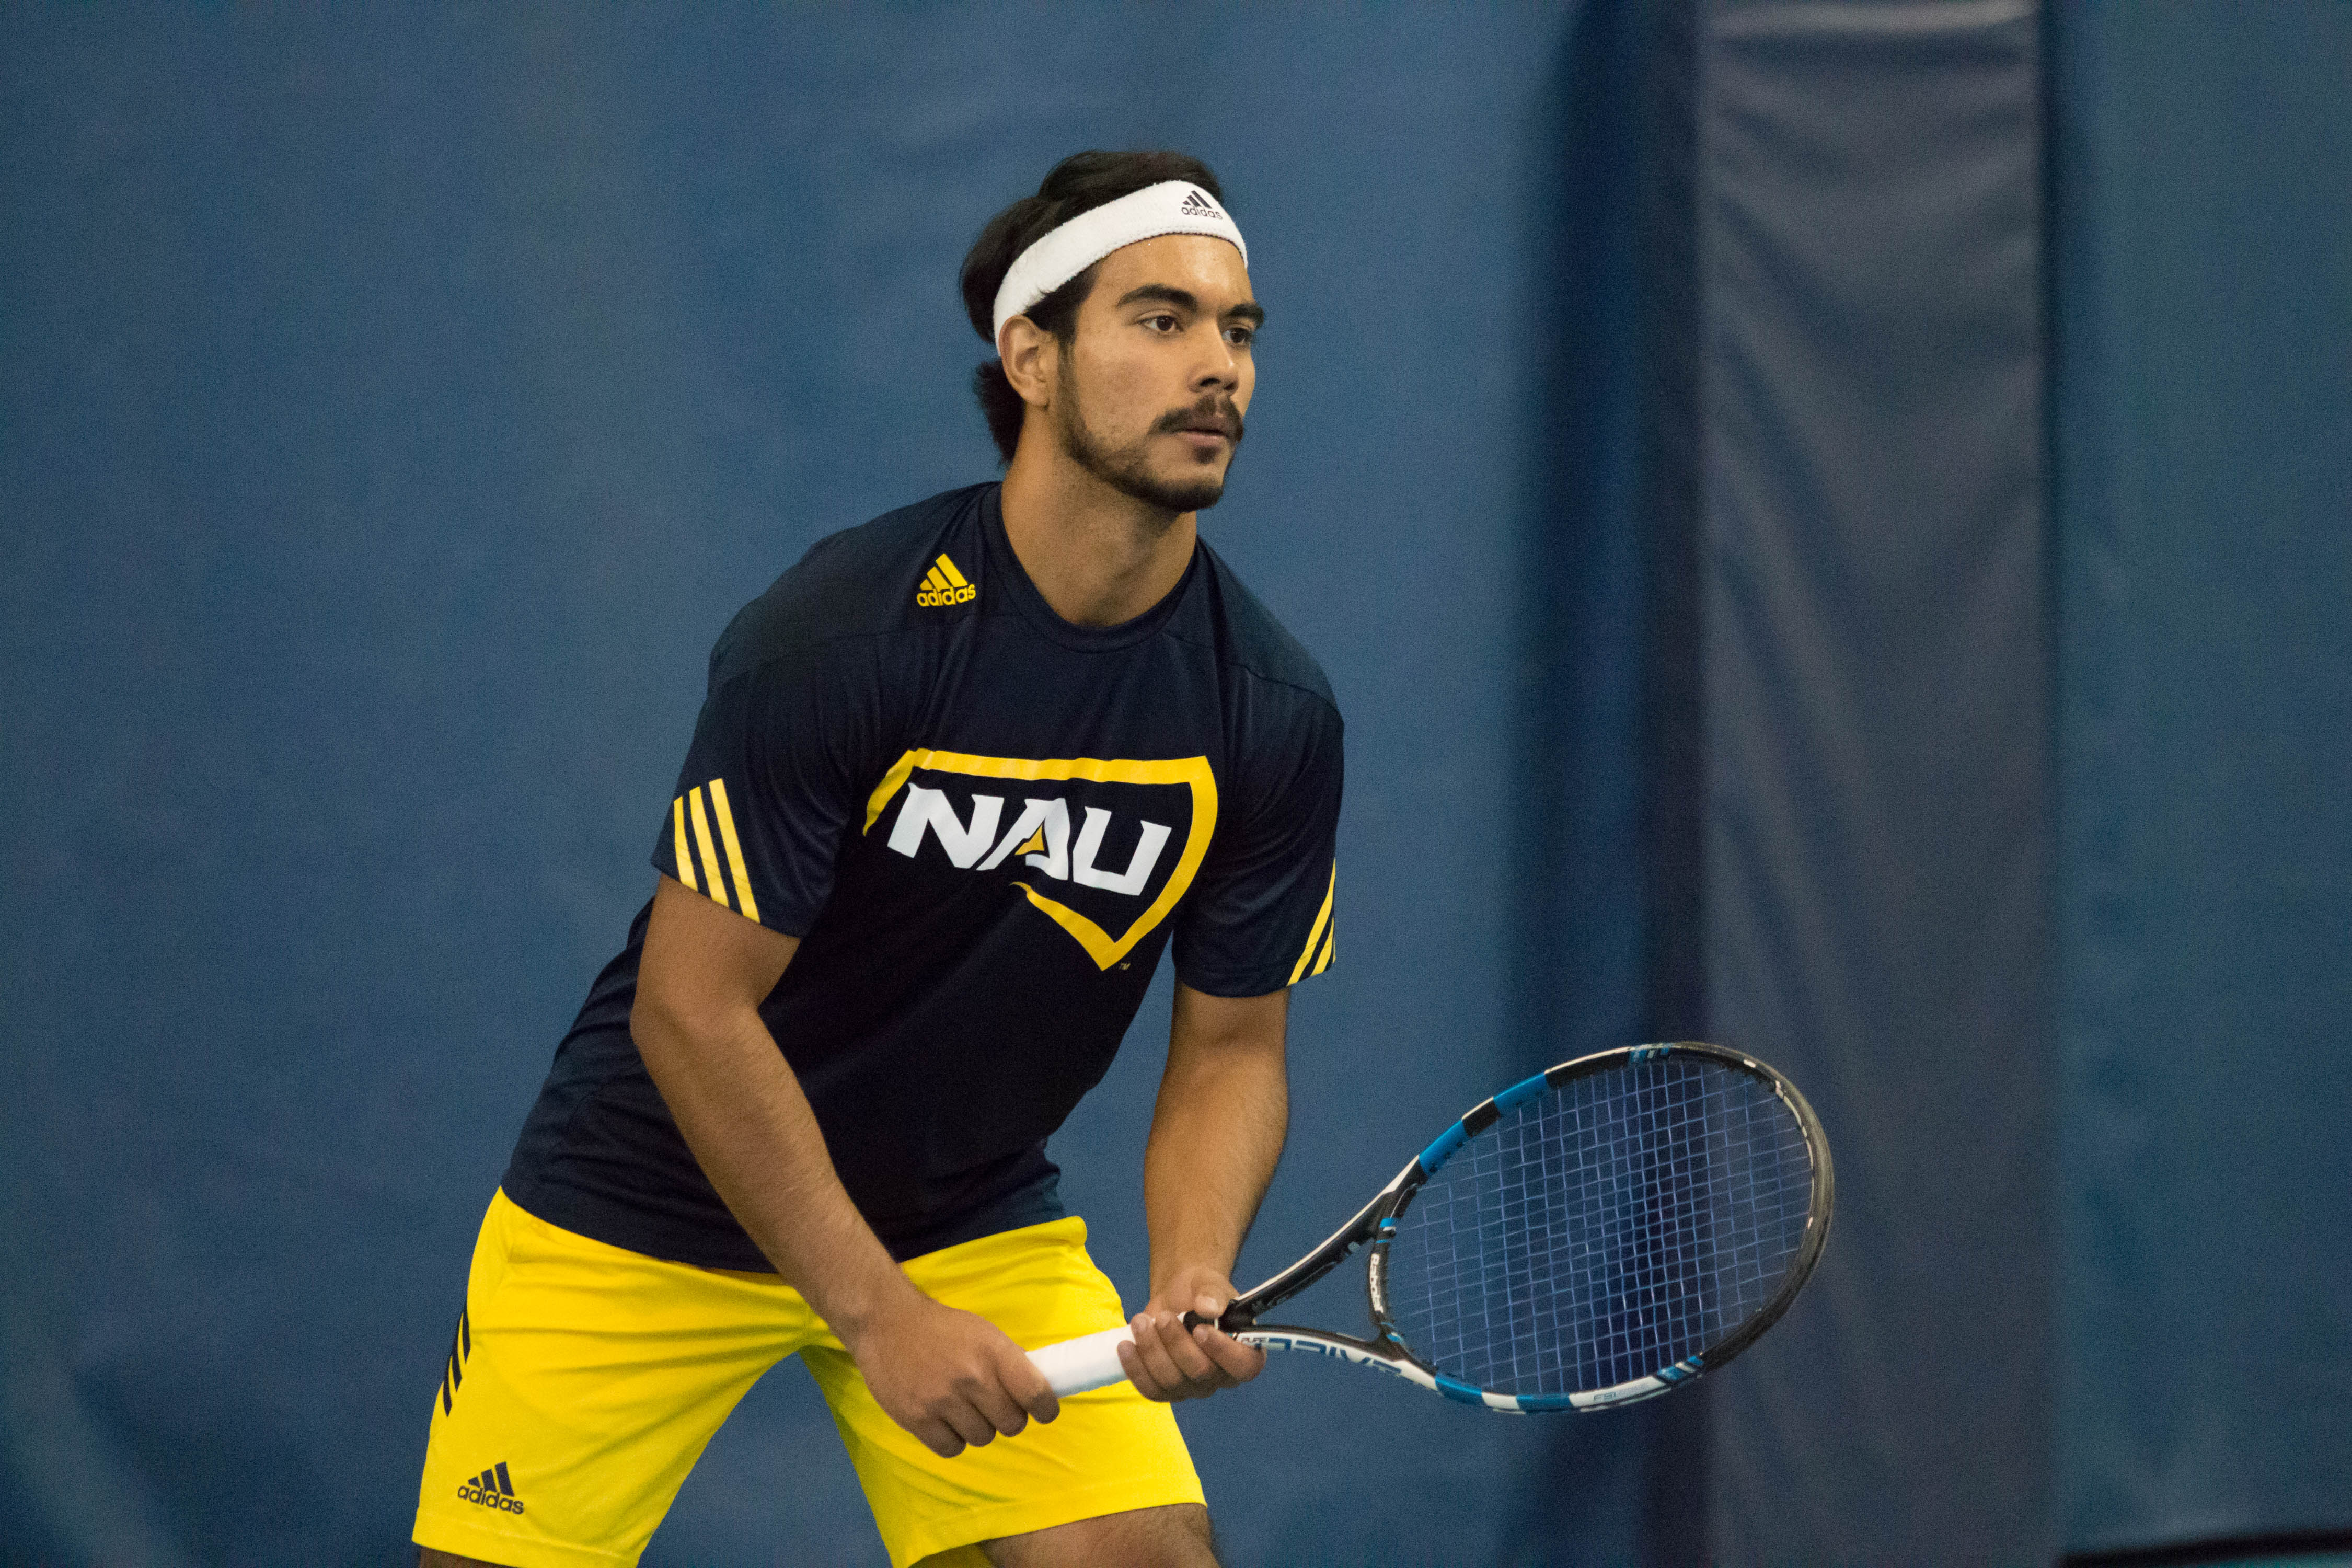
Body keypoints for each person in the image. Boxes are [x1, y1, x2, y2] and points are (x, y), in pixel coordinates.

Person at [411, 149, 1342, 1568]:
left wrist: (1192, 1268)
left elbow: (1229, 1049)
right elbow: (691, 1008)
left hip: (962, 1212)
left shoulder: (1266, 711)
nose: (1215, 366)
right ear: (1030, 356)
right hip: (648, 1199)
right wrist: (873, 1313)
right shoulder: (844, 633)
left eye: (1238, 330)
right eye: (1160, 320)